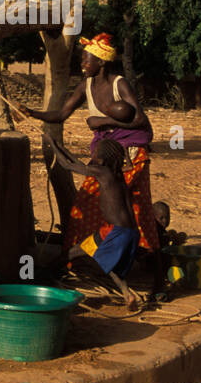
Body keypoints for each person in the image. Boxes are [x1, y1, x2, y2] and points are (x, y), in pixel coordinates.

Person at [21, 32, 159, 279]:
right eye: (83, 59)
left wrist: (101, 121)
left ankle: (145, 261)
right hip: (107, 155)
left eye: (86, 59)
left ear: (101, 62)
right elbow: (62, 114)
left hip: (131, 155)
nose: (82, 64)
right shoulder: (86, 86)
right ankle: (87, 258)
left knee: (133, 208)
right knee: (87, 202)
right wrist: (32, 113)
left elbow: (139, 119)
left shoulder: (119, 84)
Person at [46, 132, 141, 311]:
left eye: (95, 152)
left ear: (102, 158)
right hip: (131, 231)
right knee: (83, 252)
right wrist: (62, 148)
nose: (93, 154)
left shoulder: (102, 172)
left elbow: (67, 165)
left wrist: (51, 144)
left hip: (115, 231)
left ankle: (44, 276)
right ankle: (126, 293)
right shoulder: (118, 174)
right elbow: (80, 164)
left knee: (90, 256)